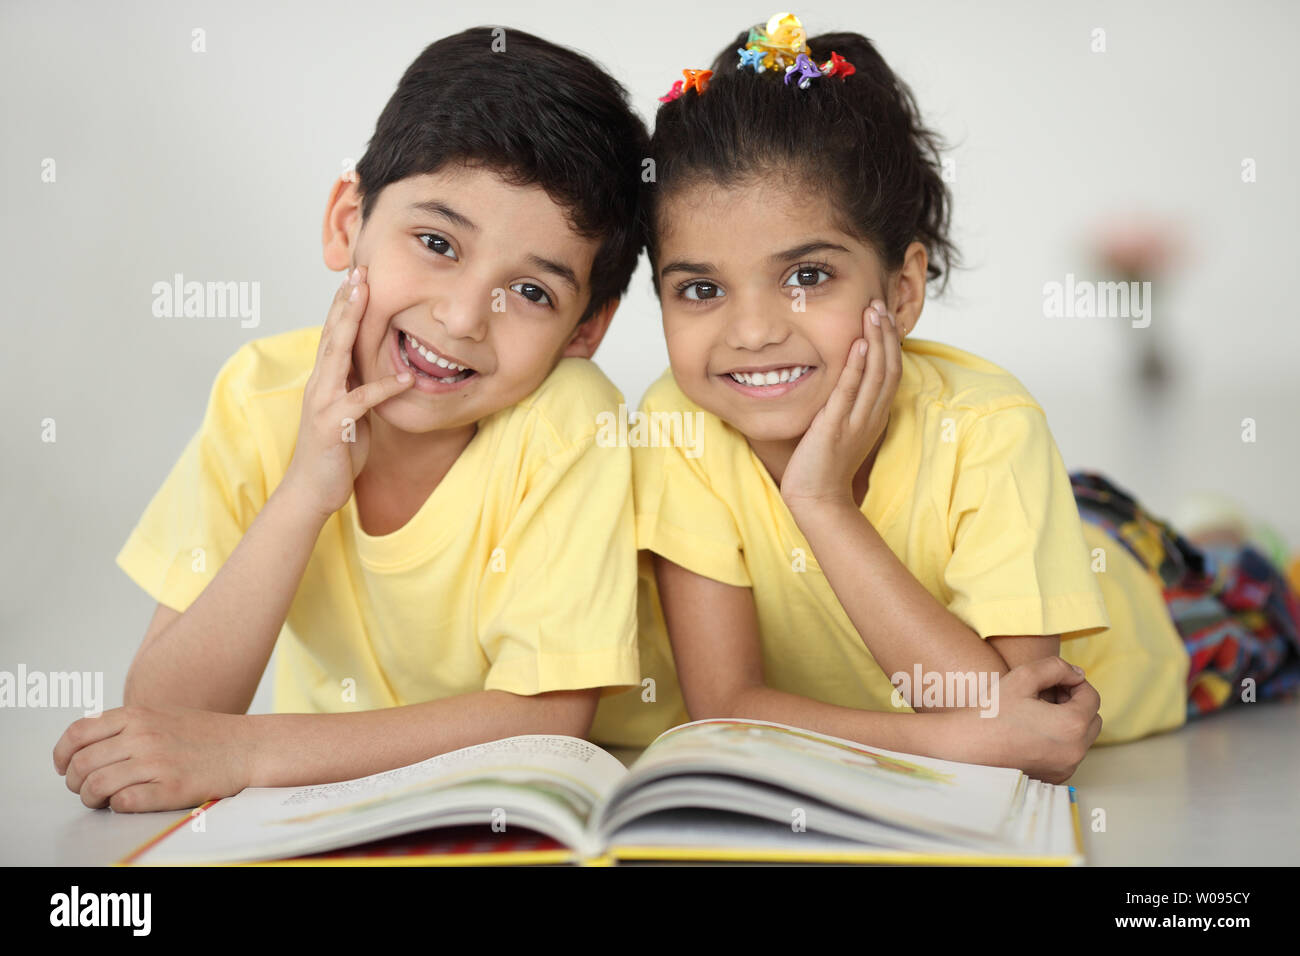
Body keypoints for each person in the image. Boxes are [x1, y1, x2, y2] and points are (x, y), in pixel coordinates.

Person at [592, 12, 1298, 775]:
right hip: (1033, 533)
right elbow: (727, 703)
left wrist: (823, 504)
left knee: (1259, 596)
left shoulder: (990, 424)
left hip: (1146, 612)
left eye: (807, 276)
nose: (753, 331)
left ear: (901, 291)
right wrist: (952, 741)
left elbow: (1018, 716)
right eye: (701, 288)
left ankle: (1231, 537)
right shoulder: (679, 422)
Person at [54, 27, 649, 812]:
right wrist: (305, 491)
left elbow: (548, 721)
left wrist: (251, 751)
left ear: (585, 331)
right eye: (437, 242)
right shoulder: (262, 396)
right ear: (347, 221)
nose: (465, 316)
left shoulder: (572, 421)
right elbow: (165, 713)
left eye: (531, 292)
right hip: (342, 813)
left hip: (562, 805)